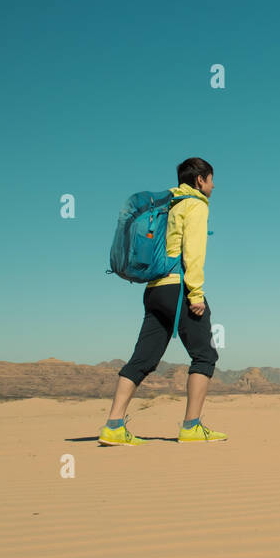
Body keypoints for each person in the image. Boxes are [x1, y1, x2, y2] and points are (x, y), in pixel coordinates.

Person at [99, 157, 227, 445]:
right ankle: (192, 427)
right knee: (205, 356)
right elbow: (193, 253)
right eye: (211, 179)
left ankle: (113, 425)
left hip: (154, 290)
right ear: (199, 181)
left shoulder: (167, 204)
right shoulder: (195, 205)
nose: (213, 185)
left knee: (143, 359)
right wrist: (196, 294)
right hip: (179, 288)